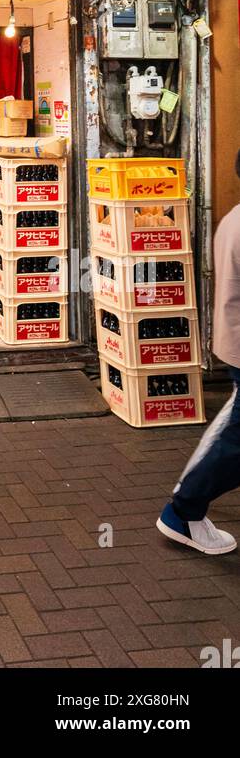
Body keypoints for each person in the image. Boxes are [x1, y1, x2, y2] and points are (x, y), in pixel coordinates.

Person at [157, 148, 240, 555]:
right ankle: (184, 509)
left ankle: (185, 505)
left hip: (233, 342)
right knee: (234, 437)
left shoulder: (232, 219)